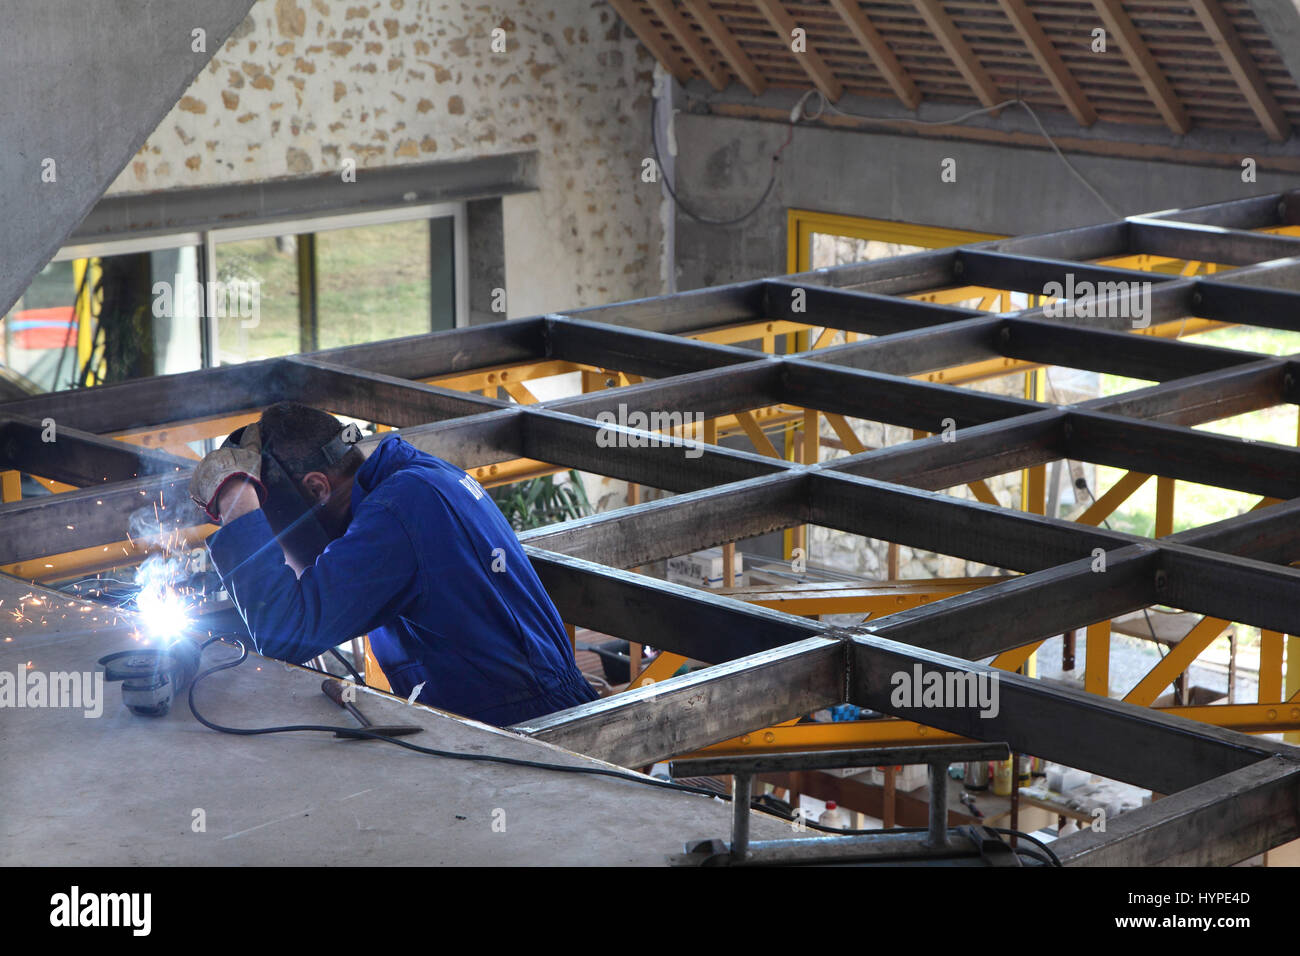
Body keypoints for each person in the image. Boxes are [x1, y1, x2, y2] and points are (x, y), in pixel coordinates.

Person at [189, 401, 598, 726]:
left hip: (528, 727)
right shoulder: (410, 477)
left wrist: (238, 499)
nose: (281, 550)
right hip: (503, 712)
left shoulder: (397, 514)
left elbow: (285, 634)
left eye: (276, 532)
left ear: (317, 489)